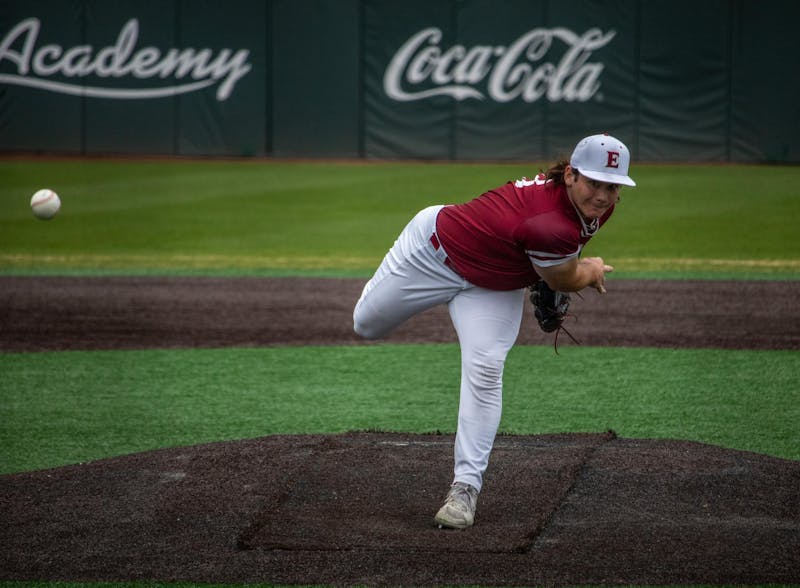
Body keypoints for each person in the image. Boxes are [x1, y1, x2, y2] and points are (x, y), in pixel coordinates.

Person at [352, 133, 636, 529]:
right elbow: (565, 277)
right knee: (365, 325)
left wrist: (553, 270)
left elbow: (560, 254)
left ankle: (464, 489)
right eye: (594, 182)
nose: (604, 195)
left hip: (492, 286)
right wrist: (587, 269)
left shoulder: (586, 205)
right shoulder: (548, 223)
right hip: (432, 253)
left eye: (613, 186)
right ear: (570, 175)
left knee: (486, 369)